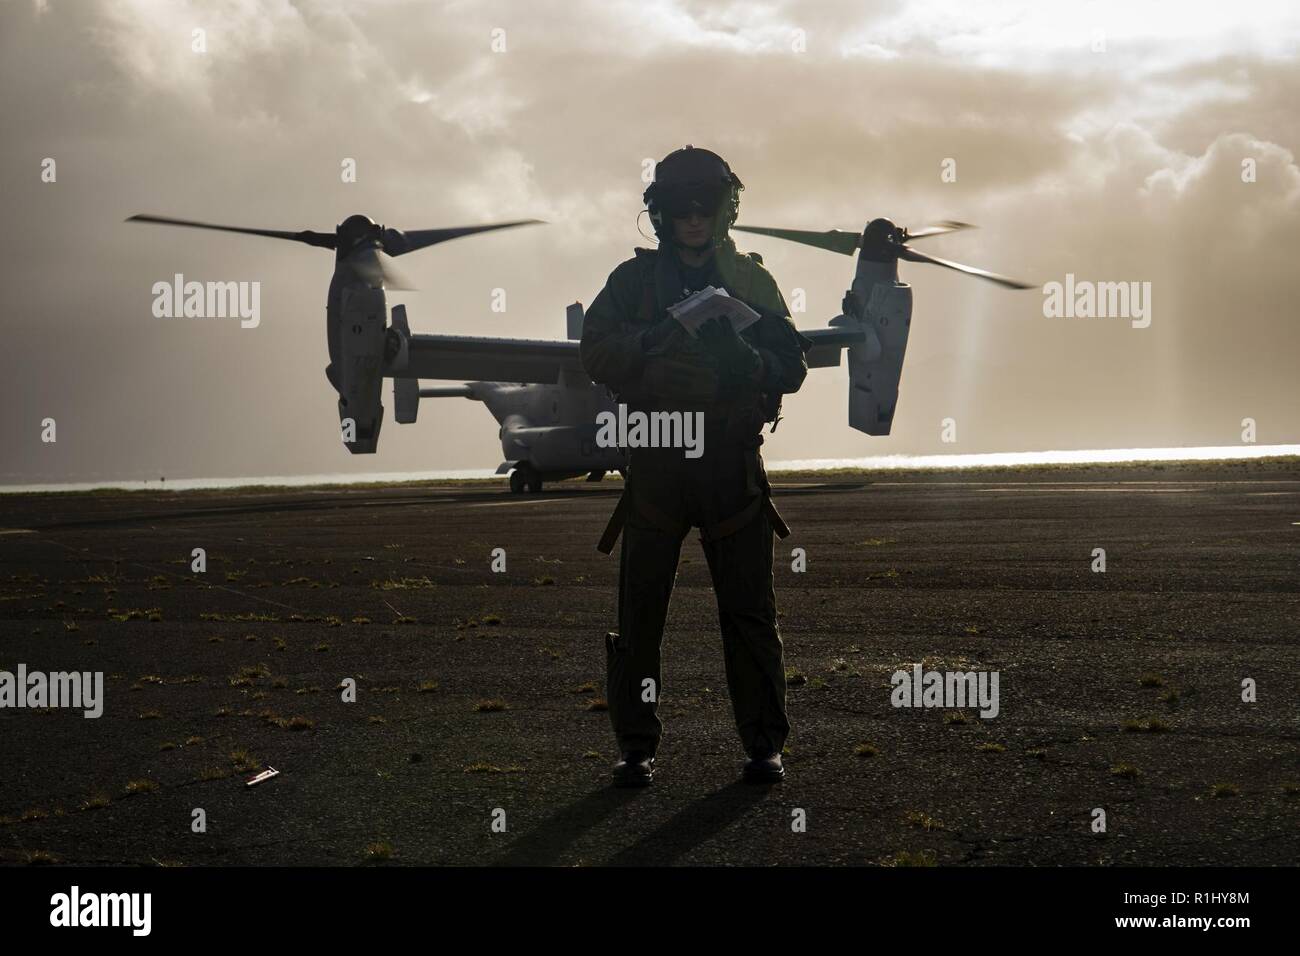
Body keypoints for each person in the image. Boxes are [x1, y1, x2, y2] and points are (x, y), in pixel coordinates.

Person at [580, 145, 811, 787]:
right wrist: (653, 349)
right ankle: (635, 747)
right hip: (657, 465)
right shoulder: (631, 284)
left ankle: (763, 745)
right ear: (660, 213)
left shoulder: (754, 281)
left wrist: (748, 363)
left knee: (748, 614)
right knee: (640, 615)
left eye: (702, 207)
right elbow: (595, 352)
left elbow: (790, 364)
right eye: (679, 208)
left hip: (729, 466)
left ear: (723, 210)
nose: (691, 219)